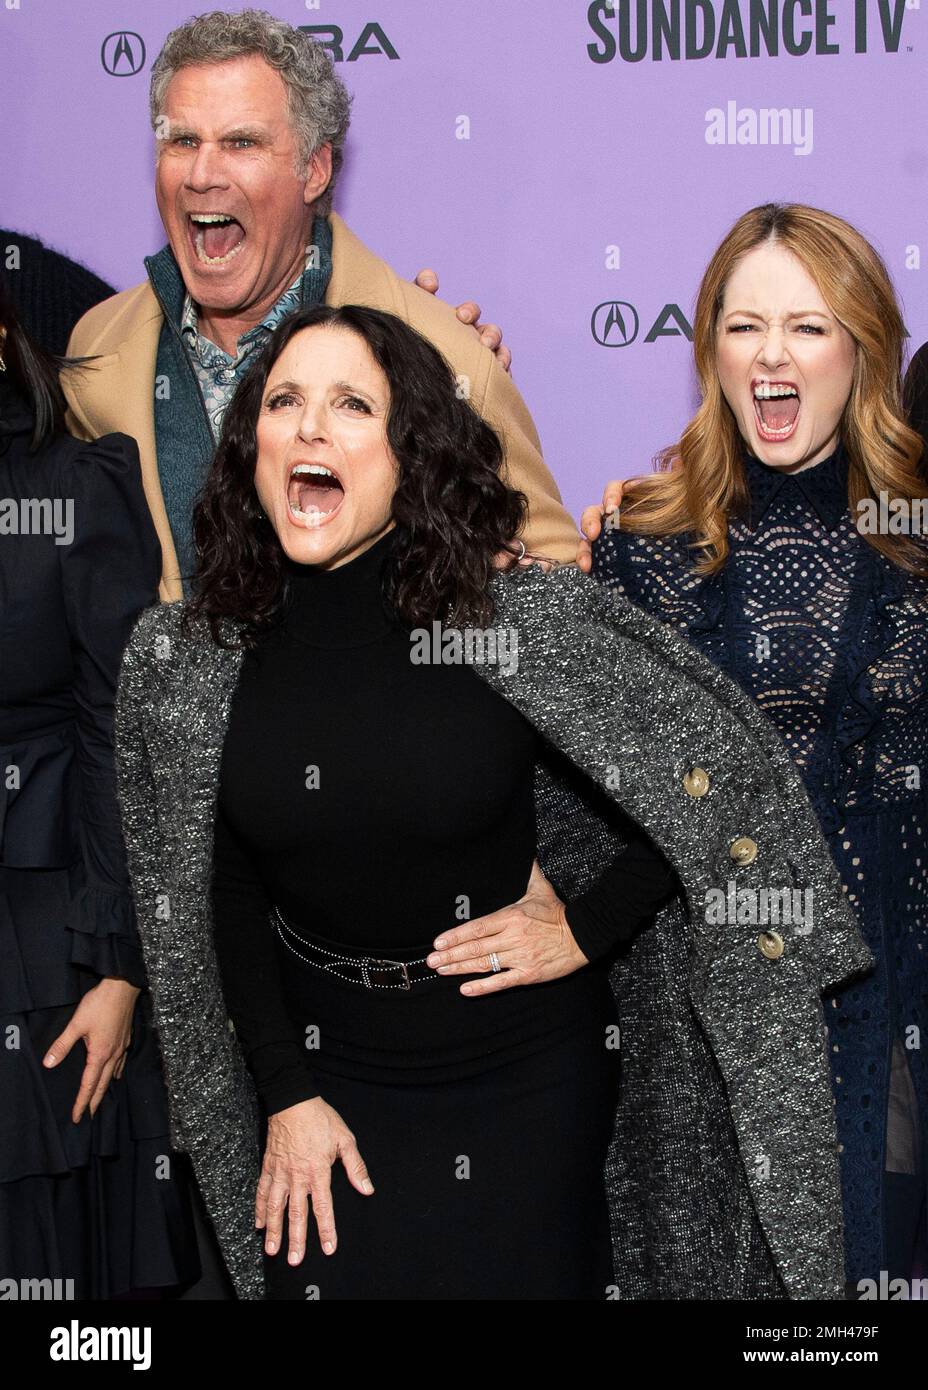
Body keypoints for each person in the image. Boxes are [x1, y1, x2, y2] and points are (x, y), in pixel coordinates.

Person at [113, 301, 871, 1300]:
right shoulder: (187, 660)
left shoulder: (511, 619)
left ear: (409, 452)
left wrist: (587, 928)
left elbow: (727, 786)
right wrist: (286, 1095)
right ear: (249, 440)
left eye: (350, 406)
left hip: (525, 1083)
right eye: (285, 400)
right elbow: (221, 898)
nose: (307, 427)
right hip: (325, 1082)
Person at [581, 203, 928, 1296]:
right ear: (710, 349)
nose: (771, 354)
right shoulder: (639, 549)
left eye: (808, 326)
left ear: (863, 349)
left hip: (882, 1013)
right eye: (744, 325)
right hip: (695, 1029)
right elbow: (607, 813)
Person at [60, 8, 588, 607]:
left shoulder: (443, 352)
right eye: (183, 140)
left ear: (314, 169)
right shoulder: (98, 349)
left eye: (241, 142)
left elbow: (555, 581)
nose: (202, 174)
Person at [0, 279, 200, 1297]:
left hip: (46, 947)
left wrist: (120, 969)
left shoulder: (73, 483)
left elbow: (122, 731)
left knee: (52, 1242)